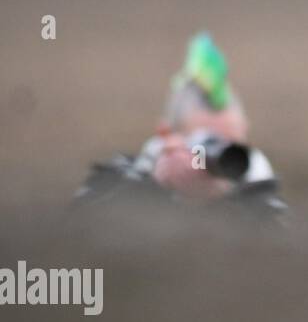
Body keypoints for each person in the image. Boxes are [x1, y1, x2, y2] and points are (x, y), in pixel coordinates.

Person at [72, 32, 287, 224]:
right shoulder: (122, 175)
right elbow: (77, 224)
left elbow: (281, 239)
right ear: (166, 136)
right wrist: (155, 186)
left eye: (231, 145)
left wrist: (224, 199)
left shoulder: (257, 184)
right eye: (207, 141)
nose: (221, 154)